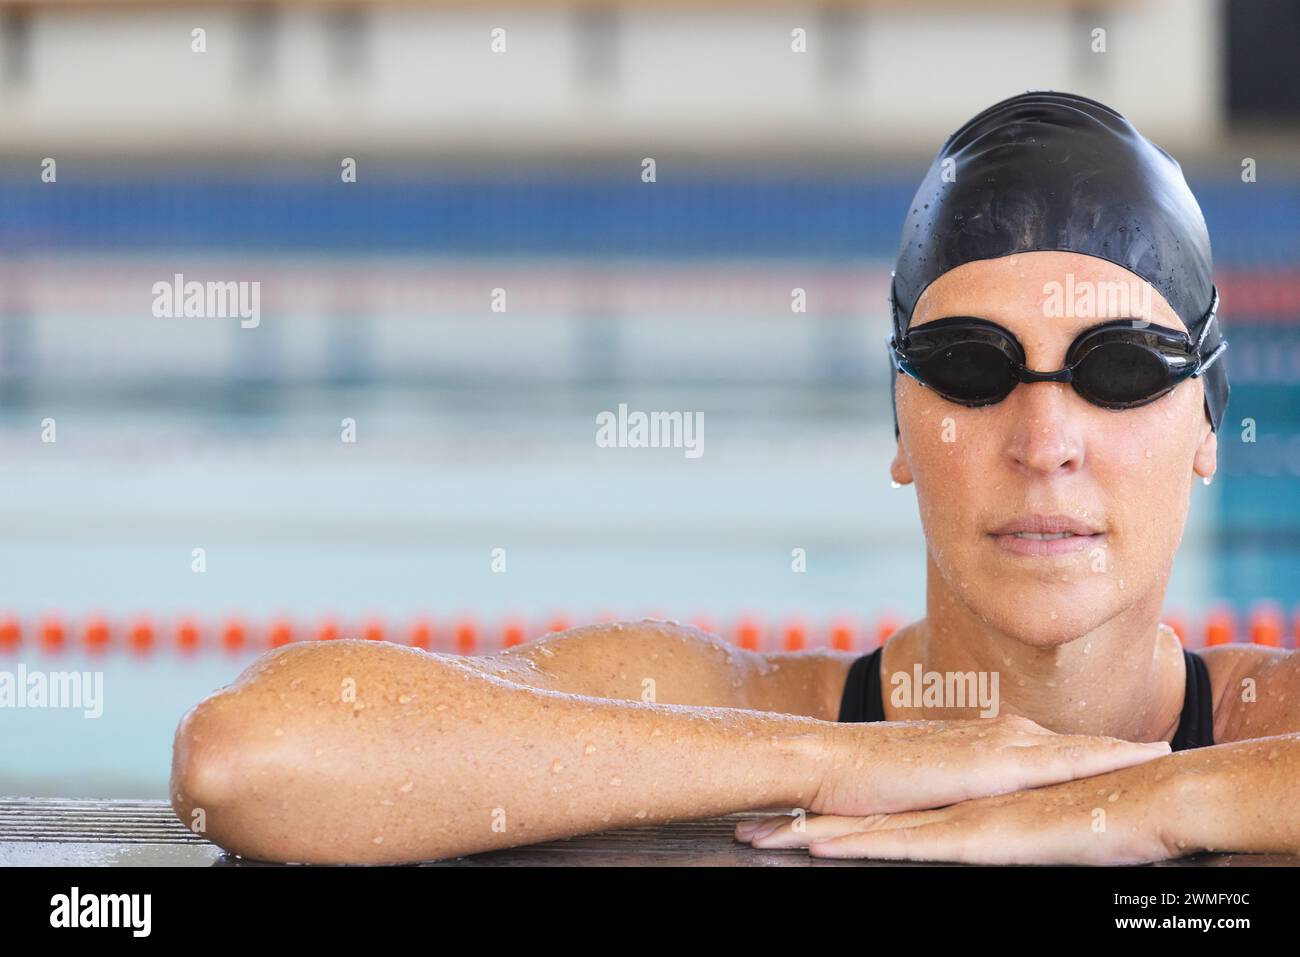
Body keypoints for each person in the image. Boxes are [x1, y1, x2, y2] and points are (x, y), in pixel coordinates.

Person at [169, 92, 1300, 865]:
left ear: (1208, 415)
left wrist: (1149, 800)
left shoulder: (1269, 723)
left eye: (1116, 369)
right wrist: (848, 762)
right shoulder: (739, 710)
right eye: (970, 367)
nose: (1043, 437)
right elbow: (249, 754)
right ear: (900, 421)